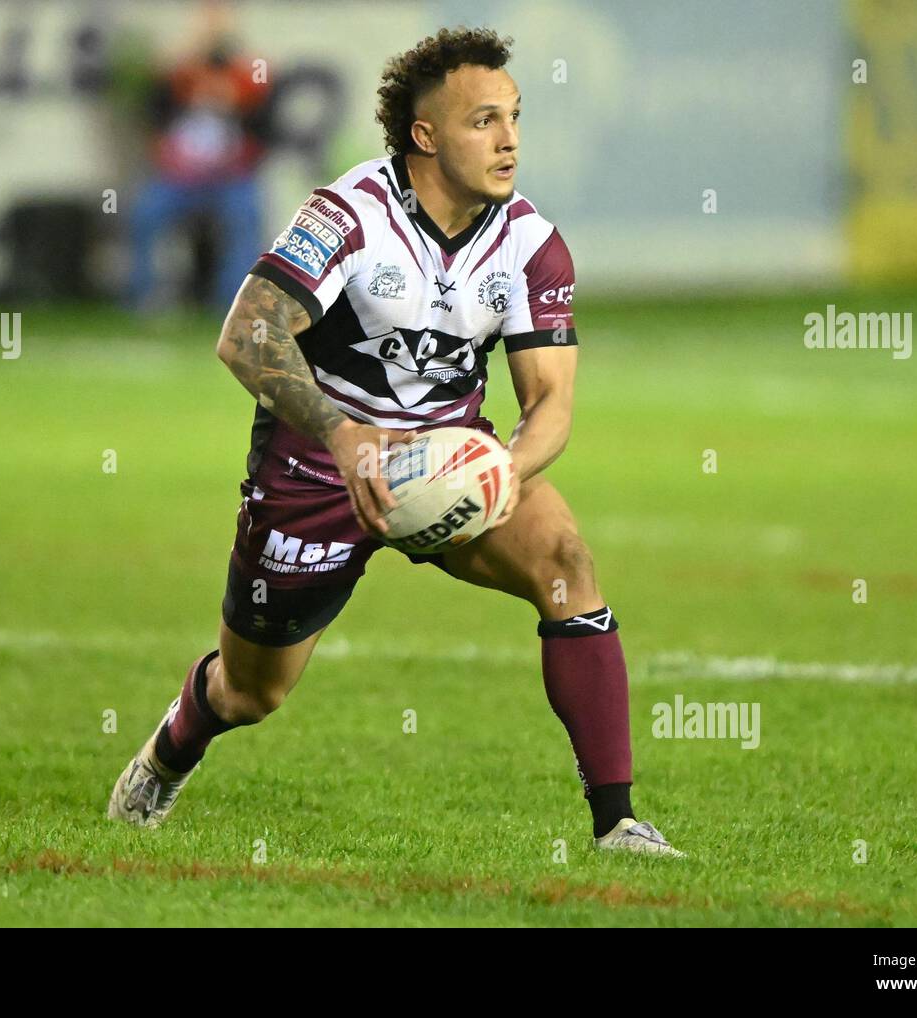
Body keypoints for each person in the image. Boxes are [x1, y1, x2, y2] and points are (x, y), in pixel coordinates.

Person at [109, 27, 683, 857]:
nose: (510, 138)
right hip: (316, 466)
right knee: (254, 691)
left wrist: (499, 469)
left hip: (450, 452)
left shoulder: (528, 242)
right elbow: (246, 334)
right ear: (425, 135)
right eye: (484, 120)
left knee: (565, 562)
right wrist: (343, 436)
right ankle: (172, 750)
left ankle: (617, 823)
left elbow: (551, 401)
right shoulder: (347, 215)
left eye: (514, 117)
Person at [126, 33, 269, 312]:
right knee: (144, 212)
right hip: (179, 183)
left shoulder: (246, 101)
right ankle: (142, 295)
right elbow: (153, 115)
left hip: (228, 183)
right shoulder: (177, 96)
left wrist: (233, 111)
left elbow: (260, 142)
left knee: (246, 213)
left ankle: (234, 298)